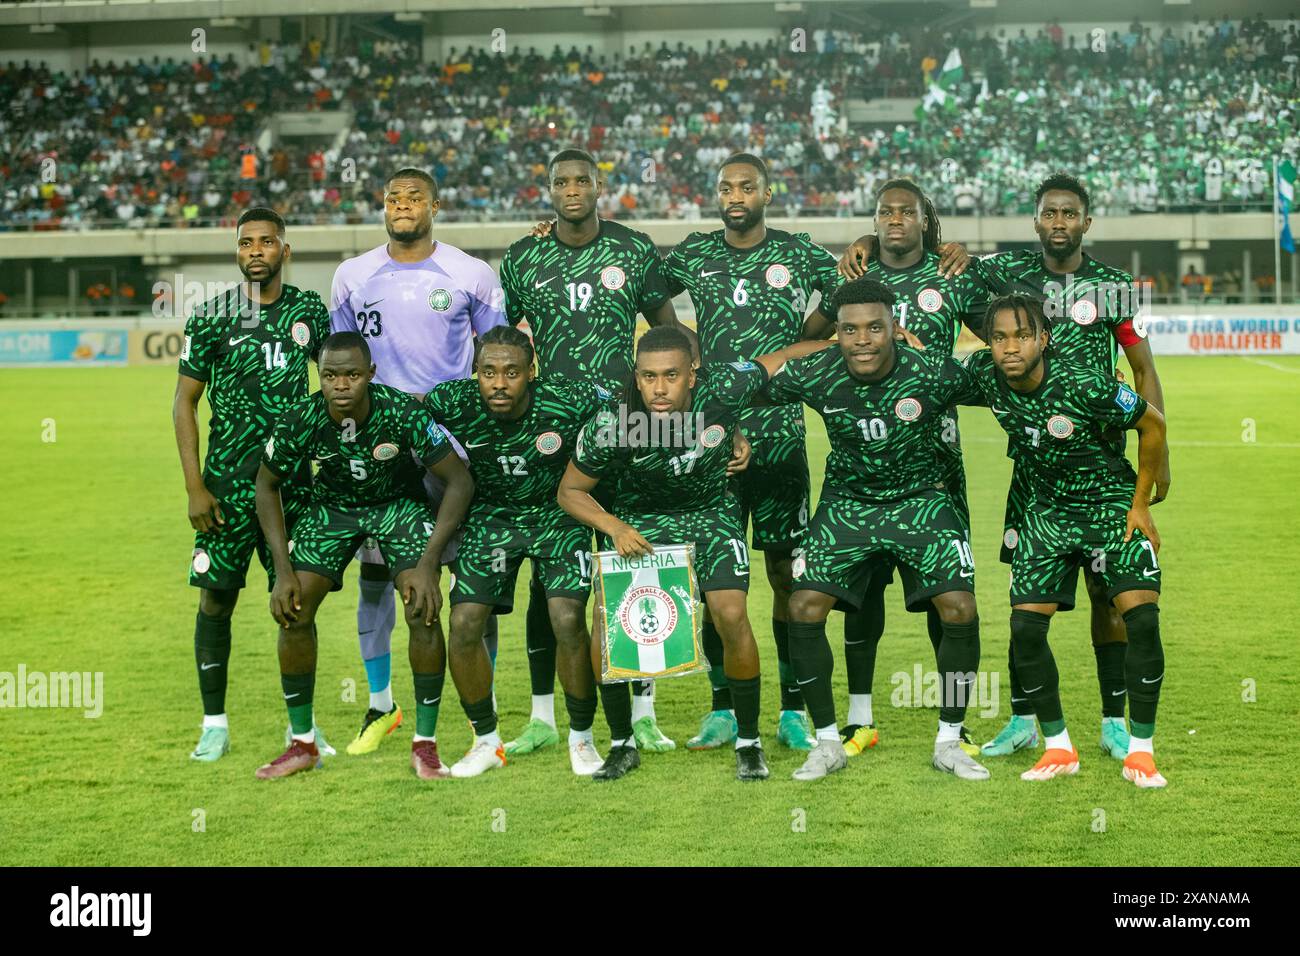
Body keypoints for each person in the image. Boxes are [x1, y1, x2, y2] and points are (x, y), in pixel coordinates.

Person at [839, 172, 1170, 761]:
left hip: (1101, 456)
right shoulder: (1003, 273)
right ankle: (1022, 717)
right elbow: (917, 243)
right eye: (1050, 213)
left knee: (1106, 592)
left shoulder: (1116, 286)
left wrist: (1159, 461)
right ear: (1036, 220)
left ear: (1085, 222)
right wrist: (869, 237)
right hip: (1033, 467)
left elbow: (1142, 369)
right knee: (1026, 597)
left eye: (1070, 214)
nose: (1059, 223)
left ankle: (1114, 719)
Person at [557, 327, 832, 781]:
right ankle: (622, 743)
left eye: (670, 375)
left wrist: (853, 339)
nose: (658, 388)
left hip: (710, 513)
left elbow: (785, 355)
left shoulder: (725, 386)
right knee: (607, 628)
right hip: (639, 522)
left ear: (693, 374)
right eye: (647, 377)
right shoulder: (615, 421)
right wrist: (615, 527)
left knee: (730, 613)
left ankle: (749, 742)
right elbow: (570, 492)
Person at [500, 148, 695, 756]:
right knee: (548, 580)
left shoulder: (634, 247)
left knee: (635, 563)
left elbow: (668, 330)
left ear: (599, 185)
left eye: (583, 180)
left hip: (625, 433)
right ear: (548, 189)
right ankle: (541, 716)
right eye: (561, 181)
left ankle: (642, 711)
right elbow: (505, 342)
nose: (572, 189)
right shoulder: (523, 256)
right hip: (548, 438)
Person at [659, 152, 844, 754]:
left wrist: (806, 337)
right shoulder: (695, 251)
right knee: (713, 580)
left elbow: (849, 289)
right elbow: (647, 292)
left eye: (746, 186)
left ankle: (792, 706)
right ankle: (722, 705)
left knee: (786, 574)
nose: (734, 195)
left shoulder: (798, 251)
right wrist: (687, 347)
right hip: (708, 438)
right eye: (725, 187)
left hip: (781, 437)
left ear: (768, 193)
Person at [770, 278, 989, 783]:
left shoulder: (931, 370)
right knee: (803, 606)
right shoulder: (818, 371)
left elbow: (1007, 383)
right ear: (838, 335)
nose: (862, 339)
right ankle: (827, 743)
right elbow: (743, 385)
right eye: (849, 330)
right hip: (848, 503)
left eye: (874, 327)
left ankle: (950, 740)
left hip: (921, 499)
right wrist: (730, 429)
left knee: (959, 607)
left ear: (896, 329)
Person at [804, 177, 990, 758]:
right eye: (884, 212)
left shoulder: (951, 273)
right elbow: (810, 334)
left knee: (949, 594)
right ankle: (860, 716)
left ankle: (954, 726)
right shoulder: (852, 273)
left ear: (925, 220)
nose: (894, 221)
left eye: (906, 212)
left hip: (934, 465)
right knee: (860, 595)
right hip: (859, 467)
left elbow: (1000, 339)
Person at [329, 167, 505, 757]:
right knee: (376, 575)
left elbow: (494, 359)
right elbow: (343, 364)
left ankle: (481, 706)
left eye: (414, 198)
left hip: (452, 450)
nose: (403, 206)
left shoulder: (471, 274)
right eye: (393, 198)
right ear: (383, 206)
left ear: (435, 204)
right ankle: (381, 705)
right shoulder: (351, 276)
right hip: (382, 452)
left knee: (471, 577)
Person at [959, 295, 1169, 787]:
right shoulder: (985, 377)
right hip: (1047, 511)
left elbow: (1152, 423)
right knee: (1026, 630)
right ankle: (1057, 746)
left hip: (1108, 503)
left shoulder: (1084, 383)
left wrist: (1138, 505)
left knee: (1140, 616)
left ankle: (1140, 750)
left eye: (1023, 336)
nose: (1011, 347)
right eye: (999, 338)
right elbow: (929, 372)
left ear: (1043, 340)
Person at [252, 332, 473, 779]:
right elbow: (265, 485)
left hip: (396, 506)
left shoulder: (401, 412)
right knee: (293, 611)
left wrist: (429, 564)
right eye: (330, 375)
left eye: (352, 375)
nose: (341, 385)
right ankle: (303, 744)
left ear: (370, 374)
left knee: (422, 609)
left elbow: (460, 482)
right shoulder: (302, 418)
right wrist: (282, 570)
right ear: (320, 375)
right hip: (333, 510)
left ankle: (424, 746)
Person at [173, 206, 331, 762]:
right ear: (237, 252)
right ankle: (214, 725)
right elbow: (184, 403)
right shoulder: (211, 317)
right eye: (247, 243)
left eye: (267, 242)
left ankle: (303, 730)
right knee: (216, 601)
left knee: (297, 605)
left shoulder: (311, 310)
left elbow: (337, 387)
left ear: (284, 251)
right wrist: (195, 487)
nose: (256, 251)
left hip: (290, 489)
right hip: (225, 488)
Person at [424, 326, 614, 776]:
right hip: (491, 517)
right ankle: (487, 740)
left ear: (532, 371)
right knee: (465, 621)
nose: (499, 383)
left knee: (567, 617)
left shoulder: (569, 397)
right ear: (475, 372)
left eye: (511, 372)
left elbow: (629, 405)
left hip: (557, 513)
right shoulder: (452, 401)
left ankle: (581, 738)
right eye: (488, 372)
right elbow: (400, 412)